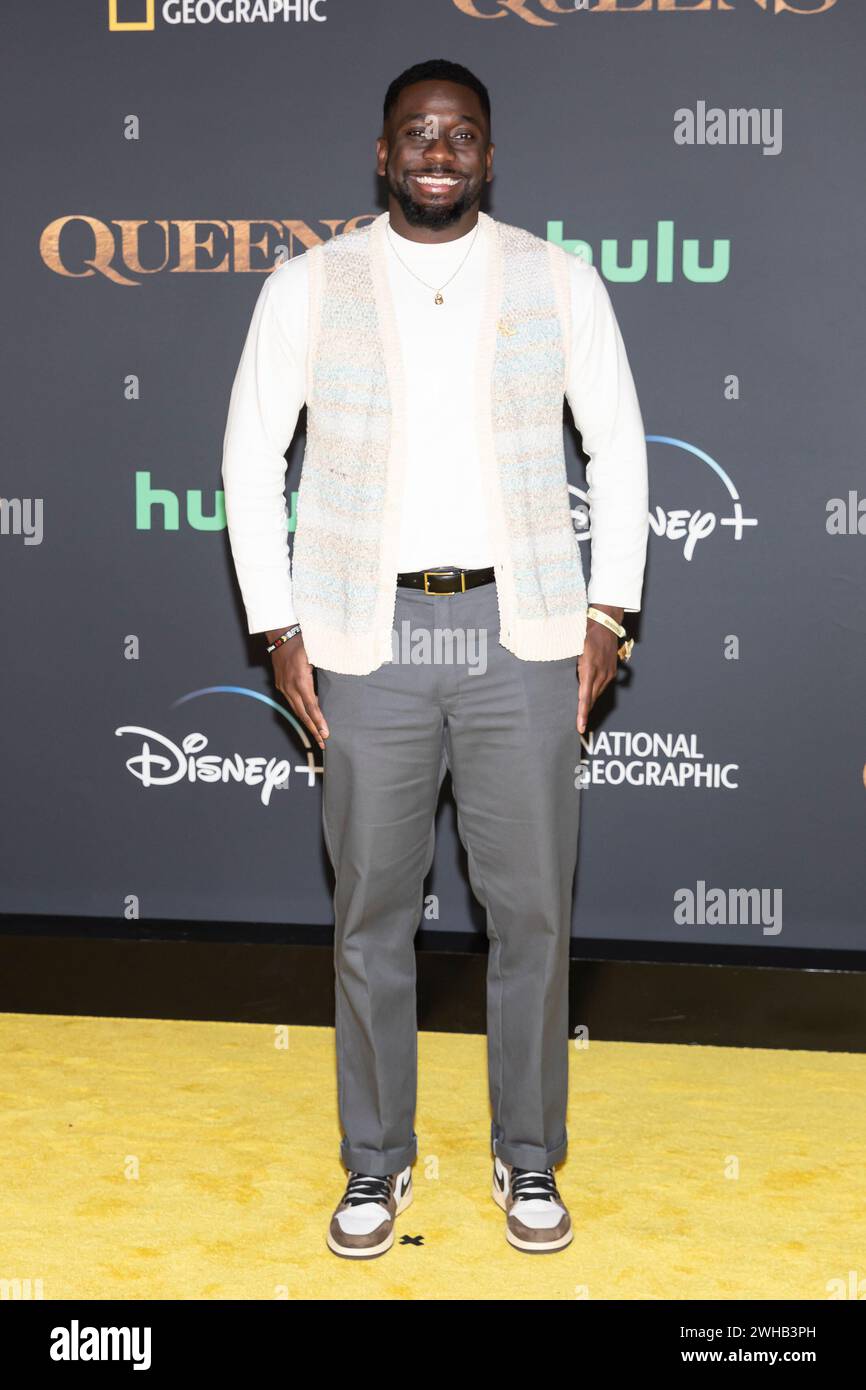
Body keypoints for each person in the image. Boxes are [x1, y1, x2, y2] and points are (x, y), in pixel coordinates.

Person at [221, 57, 649, 1259]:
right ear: (381, 152)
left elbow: (617, 449)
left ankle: (526, 1162)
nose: (438, 151)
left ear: (489, 156)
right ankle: (375, 1164)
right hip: (365, 635)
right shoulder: (310, 286)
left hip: (521, 633)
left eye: (460, 133)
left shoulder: (556, 281)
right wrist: (279, 623)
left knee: (529, 920)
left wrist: (607, 614)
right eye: (417, 131)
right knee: (368, 919)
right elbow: (251, 460)